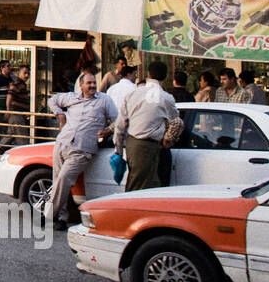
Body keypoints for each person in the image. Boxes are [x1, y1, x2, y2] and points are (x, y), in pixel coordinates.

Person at [45, 73, 119, 230]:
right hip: (63, 143)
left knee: (64, 179)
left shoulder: (104, 100)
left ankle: (49, 215)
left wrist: (107, 131)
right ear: (81, 86)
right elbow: (52, 100)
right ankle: (62, 218)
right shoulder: (72, 98)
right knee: (58, 179)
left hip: (83, 149)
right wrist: (59, 114)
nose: (92, 86)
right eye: (89, 83)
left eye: (94, 83)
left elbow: (118, 121)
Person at [114, 60, 179, 192]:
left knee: (140, 185)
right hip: (147, 146)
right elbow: (176, 121)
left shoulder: (132, 94)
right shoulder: (166, 98)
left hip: (133, 144)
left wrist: (118, 151)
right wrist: (169, 138)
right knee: (140, 188)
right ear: (166, 77)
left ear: (148, 74)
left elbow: (120, 126)